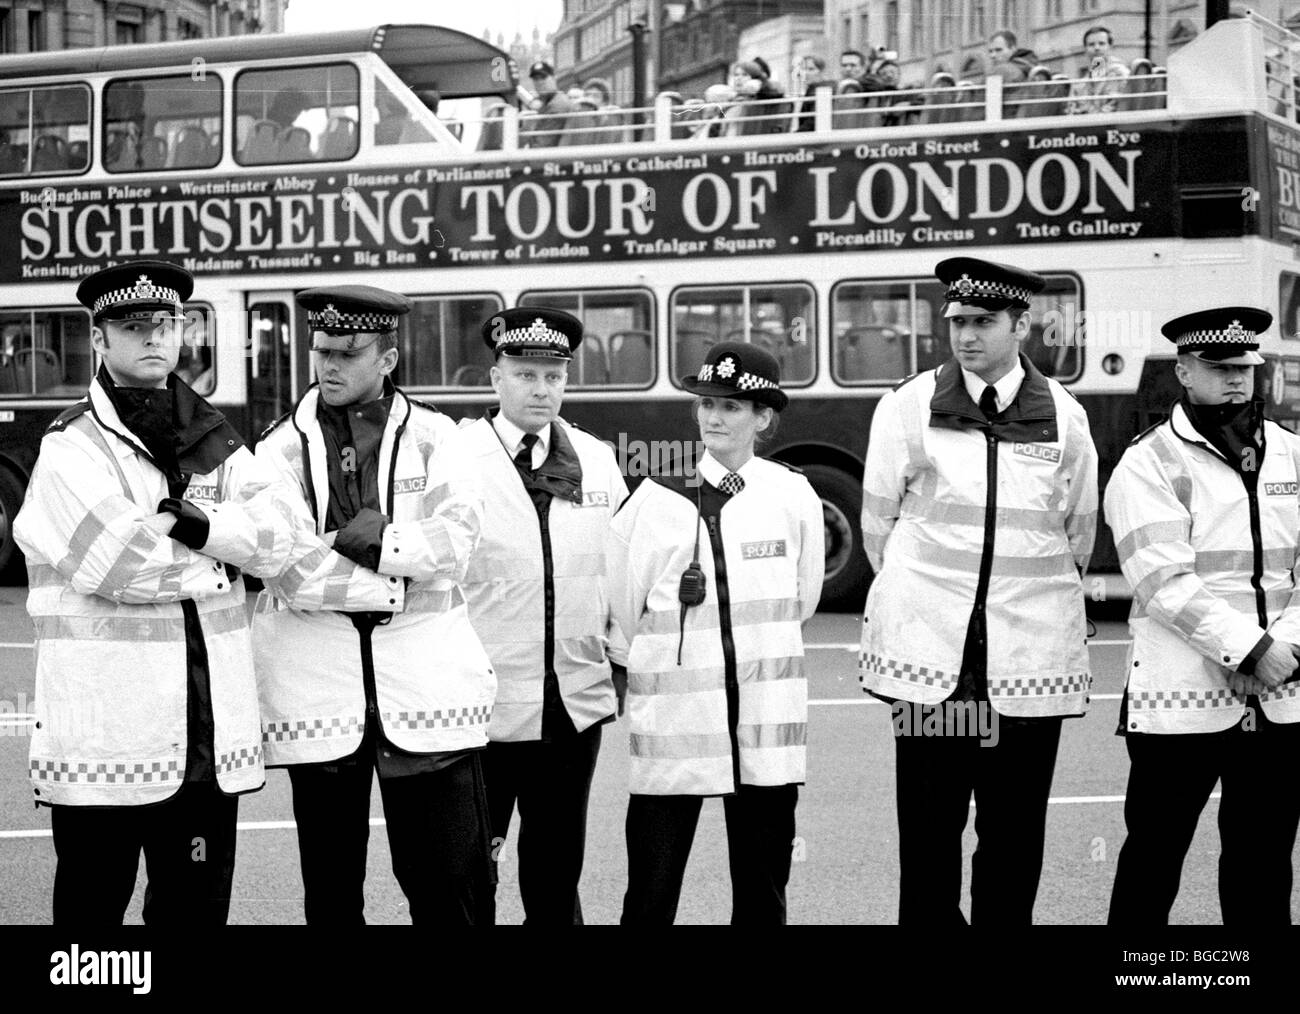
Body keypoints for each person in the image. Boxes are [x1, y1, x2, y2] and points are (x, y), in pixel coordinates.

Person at [13, 260, 296, 926]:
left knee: (193, 919)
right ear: (101, 337)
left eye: (167, 324)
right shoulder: (70, 447)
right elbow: (124, 565)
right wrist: (228, 551)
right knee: (91, 932)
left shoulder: (212, 437)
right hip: (105, 745)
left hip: (202, 744)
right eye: (134, 325)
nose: (154, 338)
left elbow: (283, 539)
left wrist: (194, 526)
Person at [859, 257, 1098, 927]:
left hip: (1027, 666)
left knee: (1014, 842)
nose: (965, 336)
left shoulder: (1063, 416)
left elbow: (1079, 531)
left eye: (983, 322)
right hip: (935, 665)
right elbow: (879, 525)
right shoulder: (910, 405)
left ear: (1021, 325)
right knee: (929, 843)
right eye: (957, 321)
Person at [253, 284, 497, 926]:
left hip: (428, 702)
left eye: (347, 352)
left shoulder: (441, 438)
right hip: (322, 702)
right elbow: (288, 570)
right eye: (320, 351)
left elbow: (458, 543)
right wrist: (402, 569)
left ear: (387, 360)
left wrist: (362, 538)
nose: (328, 365)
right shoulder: (277, 448)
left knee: (450, 892)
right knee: (332, 900)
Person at [607, 341, 825, 925]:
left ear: (763, 418)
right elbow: (626, 606)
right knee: (650, 895)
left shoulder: (791, 492)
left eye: (733, 406)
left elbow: (802, 599)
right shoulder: (654, 500)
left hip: (764, 721)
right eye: (706, 404)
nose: (714, 417)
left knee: (762, 891)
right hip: (678, 724)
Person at [1104, 307, 1300, 927]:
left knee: (1264, 863)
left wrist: (1279, 651)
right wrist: (1250, 651)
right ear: (1185, 372)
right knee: (1154, 860)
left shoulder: (1293, 455)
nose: (1237, 380)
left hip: (1280, 691)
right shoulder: (1149, 461)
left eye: (1245, 367)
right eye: (1219, 368)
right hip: (1181, 694)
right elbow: (1161, 579)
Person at [452, 307, 630, 925]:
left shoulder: (598, 459)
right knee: (473, 868)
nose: (541, 389)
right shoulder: (457, 456)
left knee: (556, 871)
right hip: (484, 703)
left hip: (572, 701)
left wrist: (621, 662)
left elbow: (621, 571)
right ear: (495, 378)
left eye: (554, 375)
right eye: (526, 374)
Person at [1066, 25, 1131, 114]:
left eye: (1101, 43)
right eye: (1091, 44)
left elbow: (1116, 106)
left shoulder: (1120, 73)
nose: (1096, 48)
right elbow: (1071, 108)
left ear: (1110, 46)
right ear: (1085, 49)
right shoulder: (1082, 81)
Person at [519, 61, 573, 148]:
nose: (539, 82)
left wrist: (529, 126)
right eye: (536, 79)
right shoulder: (544, 103)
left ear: (553, 78)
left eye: (543, 77)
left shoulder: (558, 105)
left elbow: (542, 145)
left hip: (551, 158)